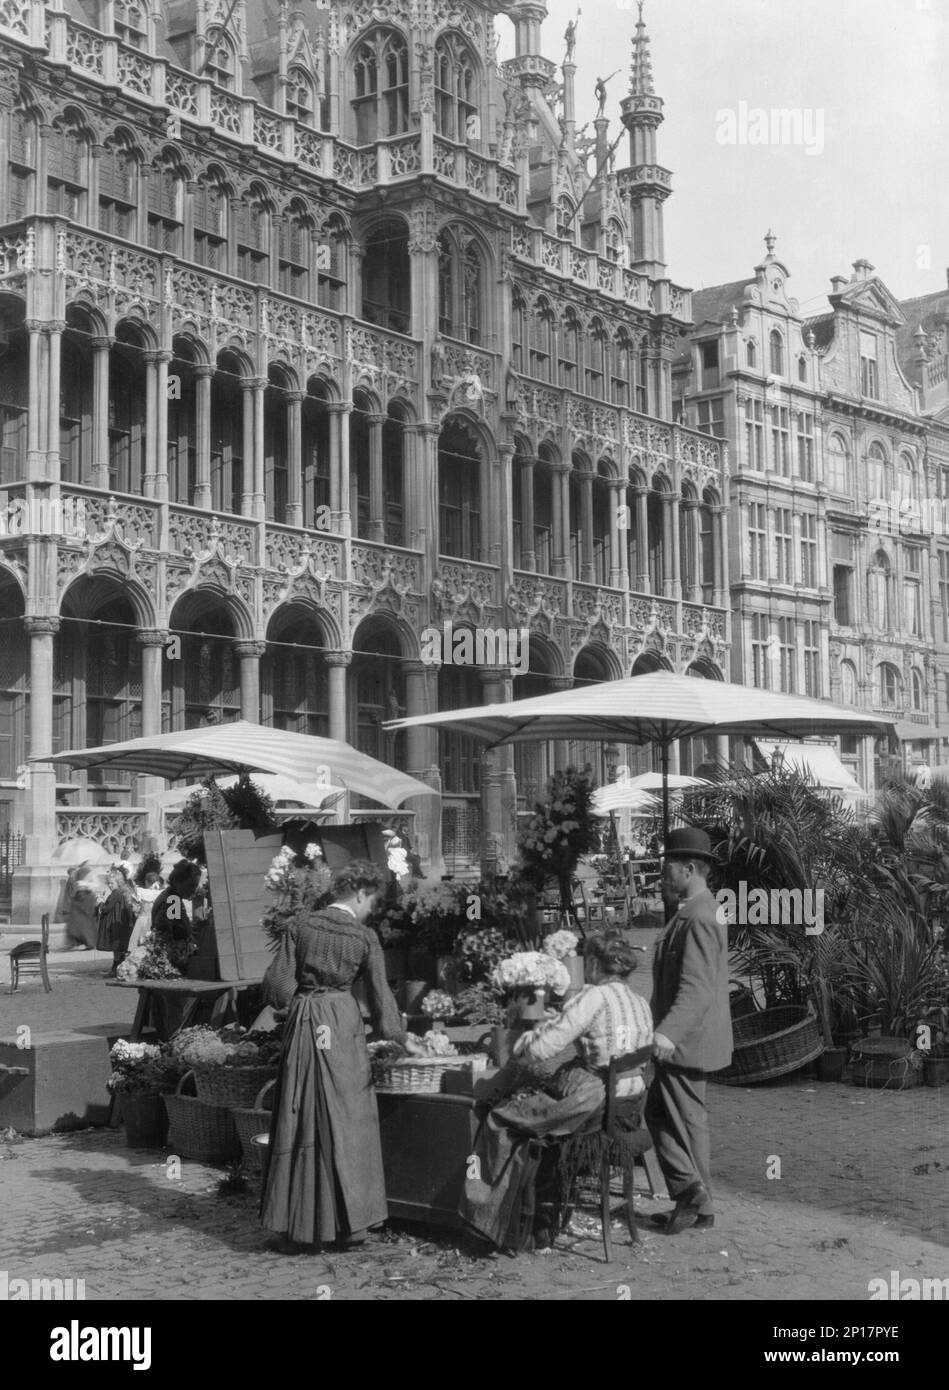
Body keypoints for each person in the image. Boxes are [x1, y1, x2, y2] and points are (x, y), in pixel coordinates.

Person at [461, 934, 653, 1251]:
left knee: (509, 1119)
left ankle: (513, 1224)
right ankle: (533, 1220)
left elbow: (545, 1048)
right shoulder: (640, 1001)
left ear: (592, 963)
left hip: (599, 1112)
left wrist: (519, 1049)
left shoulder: (595, 998)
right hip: (629, 1108)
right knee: (541, 1107)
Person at [260, 859, 404, 1250]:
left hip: (306, 1022)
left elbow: (276, 989)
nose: (371, 909)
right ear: (360, 893)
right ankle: (348, 1224)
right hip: (340, 1024)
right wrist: (397, 1036)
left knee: (301, 1112)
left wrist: (297, 998)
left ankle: (298, 1225)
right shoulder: (364, 938)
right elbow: (382, 1001)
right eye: (371, 901)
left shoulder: (300, 926)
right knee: (346, 1116)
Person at [646, 827, 733, 1234]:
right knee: (668, 1115)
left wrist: (667, 1034)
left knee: (682, 1118)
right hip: (687, 1038)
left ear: (689, 868)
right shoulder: (696, 909)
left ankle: (696, 1197)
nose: (664, 876)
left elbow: (695, 989)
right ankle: (695, 1199)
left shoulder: (699, 915)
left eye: (668, 869)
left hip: (686, 1040)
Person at [150, 859, 202, 972]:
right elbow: (169, 934)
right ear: (178, 881)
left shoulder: (171, 896)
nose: (194, 889)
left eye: (195, 885)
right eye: (191, 885)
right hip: (173, 962)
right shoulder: (173, 900)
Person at [95, 864, 139, 976]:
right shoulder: (123, 891)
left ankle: (116, 969)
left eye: (112, 883)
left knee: (117, 948)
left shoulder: (115, 893)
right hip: (122, 922)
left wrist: (99, 901)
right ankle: (119, 968)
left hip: (114, 923)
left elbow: (106, 908)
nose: (110, 885)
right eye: (108, 883)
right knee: (120, 947)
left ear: (118, 883)